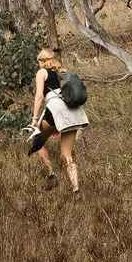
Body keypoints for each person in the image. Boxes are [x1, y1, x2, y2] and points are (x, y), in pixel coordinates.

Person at [28, 47, 87, 194]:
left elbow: (39, 96)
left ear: (41, 61)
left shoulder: (42, 72)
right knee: (67, 154)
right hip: (71, 114)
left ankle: (51, 174)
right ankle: (76, 189)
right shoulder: (62, 73)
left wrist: (35, 119)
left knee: (37, 139)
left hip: (55, 113)